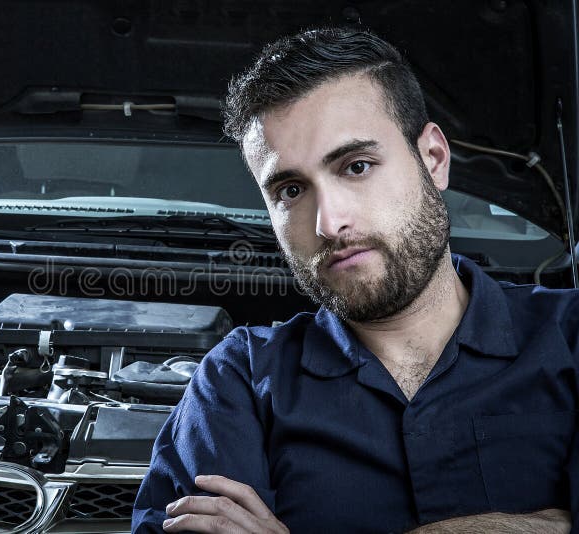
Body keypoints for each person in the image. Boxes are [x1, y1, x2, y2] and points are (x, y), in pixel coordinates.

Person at [131, 26, 577, 533]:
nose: (328, 222)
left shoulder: (571, 336)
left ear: (433, 159)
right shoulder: (238, 382)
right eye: (291, 190)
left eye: (356, 166)